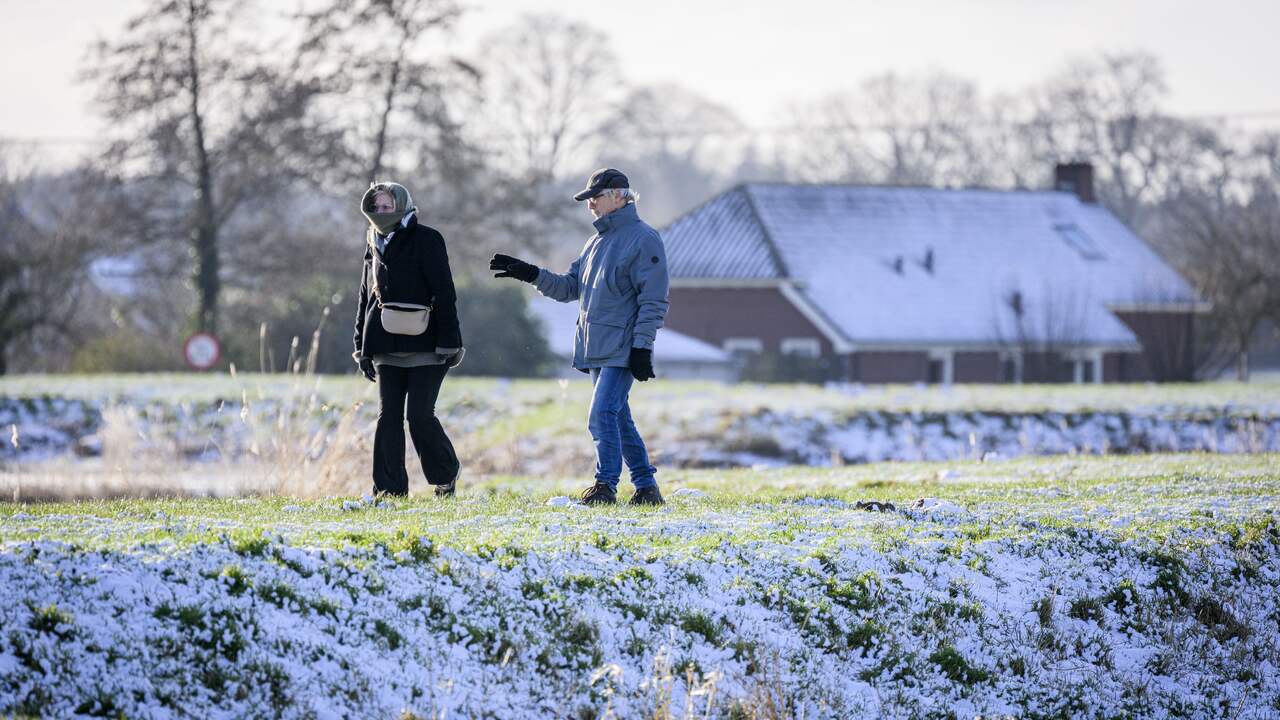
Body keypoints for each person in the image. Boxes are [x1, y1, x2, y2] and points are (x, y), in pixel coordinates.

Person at [490, 168, 669, 506]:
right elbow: (569, 287)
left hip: (623, 349)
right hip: (596, 348)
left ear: (618, 195)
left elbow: (653, 299)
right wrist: (530, 273)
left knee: (601, 414)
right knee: (618, 417)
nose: (590, 206)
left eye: (595, 198)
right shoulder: (594, 243)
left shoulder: (644, 239)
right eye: (588, 200)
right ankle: (647, 489)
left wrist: (642, 347)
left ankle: (605, 486)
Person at [353, 182, 463, 498]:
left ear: (402, 206)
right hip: (385, 343)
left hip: (427, 344)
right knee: (388, 418)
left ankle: (445, 476)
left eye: (388, 207)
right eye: (376, 208)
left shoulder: (428, 239)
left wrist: (450, 342)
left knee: (419, 415)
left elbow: (445, 291)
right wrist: (361, 346)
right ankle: (389, 490)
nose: (381, 213)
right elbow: (365, 297)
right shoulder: (372, 243)